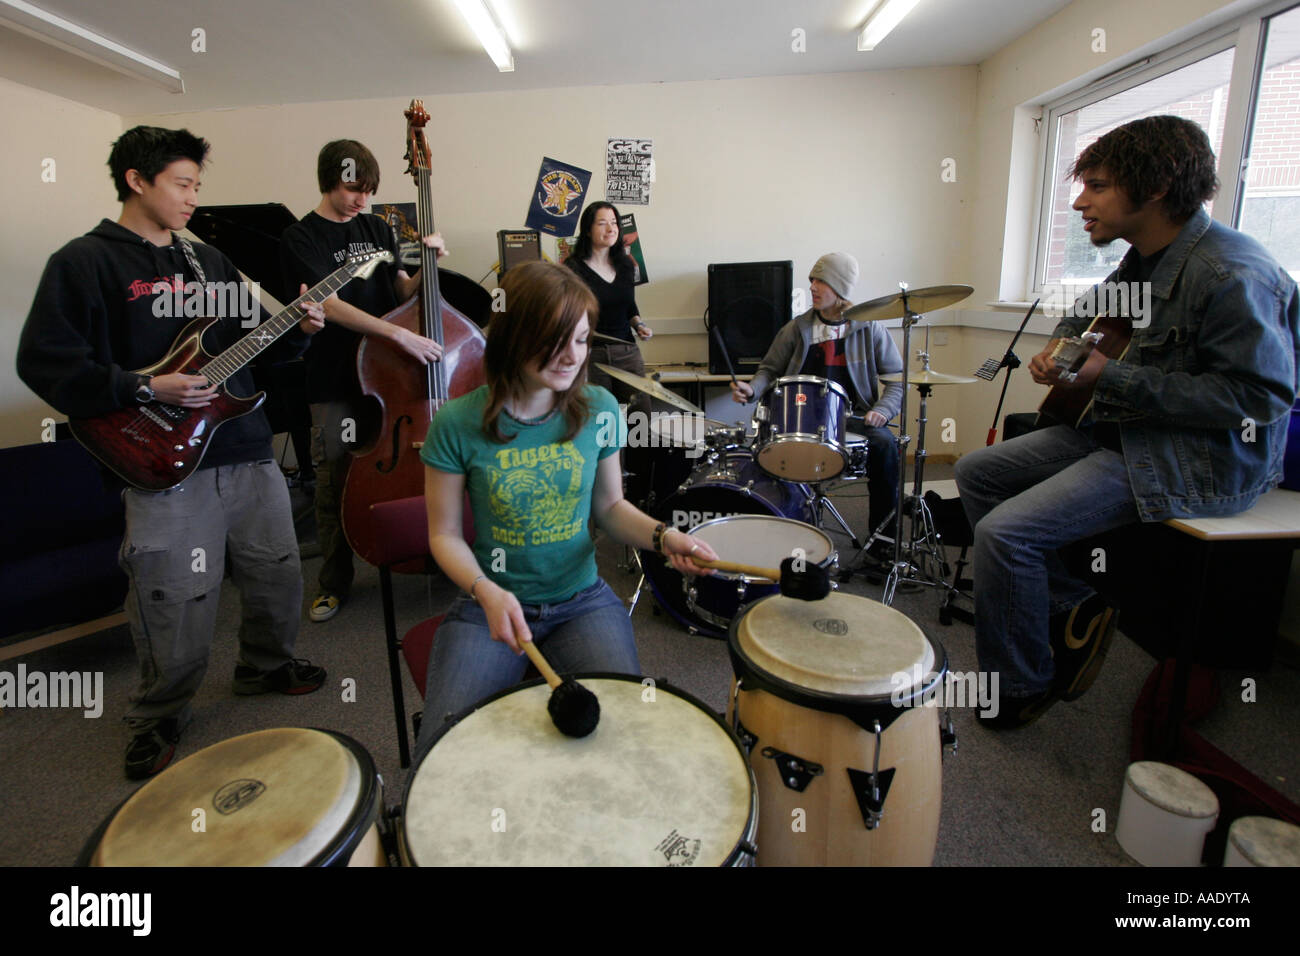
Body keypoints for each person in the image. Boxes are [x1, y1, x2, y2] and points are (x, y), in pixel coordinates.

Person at [954, 115, 1300, 729]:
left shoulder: (1231, 273)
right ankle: (1070, 605)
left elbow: (1259, 398)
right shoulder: (1141, 261)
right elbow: (1079, 323)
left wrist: (1104, 378)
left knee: (1006, 535)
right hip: (1121, 430)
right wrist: (1056, 356)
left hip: (1194, 459)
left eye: (1098, 185)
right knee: (978, 470)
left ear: (1157, 188)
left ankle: (1021, 686)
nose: (1080, 202)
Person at [16, 126, 329, 779]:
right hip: (159, 463)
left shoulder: (207, 261)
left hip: (246, 447)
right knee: (176, 596)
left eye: (196, 185)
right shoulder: (84, 263)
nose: (193, 197)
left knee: (278, 572)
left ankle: (265, 667)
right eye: (183, 184)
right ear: (138, 180)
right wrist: (141, 385)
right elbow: (44, 361)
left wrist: (298, 331)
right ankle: (157, 713)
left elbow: (258, 348)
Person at [414, 261, 717, 755]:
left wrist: (665, 537)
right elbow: (443, 534)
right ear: (513, 335)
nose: (571, 356)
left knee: (624, 737)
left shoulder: (597, 407)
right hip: (490, 600)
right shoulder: (456, 422)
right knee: (446, 750)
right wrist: (485, 591)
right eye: (554, 340)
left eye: (580, 340)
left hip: (581, 601)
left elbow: (611, 507)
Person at [280, 139, 447, 623]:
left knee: (404, 473)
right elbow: (325, 304)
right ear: (329, 180)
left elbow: (400, 289)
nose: (361, 201)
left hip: (388, 378)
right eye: (354, 189)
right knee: (332, 482)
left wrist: (427, 266)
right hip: (335, 380)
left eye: (368, 191)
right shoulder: (301, 237)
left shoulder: (376, 227)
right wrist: (395, 332)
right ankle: (333, 584)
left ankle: (426, 555)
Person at [731, 252, 904, 558]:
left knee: (887, 446)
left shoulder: (869, 328)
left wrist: (883, 410)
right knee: (764, 448)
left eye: (821, 281)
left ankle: (883, 542)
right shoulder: (797, 328)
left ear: (840, 289)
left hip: (856, 419)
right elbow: (769, 370)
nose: (812, 286)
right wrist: (751, 389)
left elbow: (897, 380)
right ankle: (781, 531)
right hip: (800, 416)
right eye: (812, 279)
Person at [565, 201, 652, 409]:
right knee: (600, 420)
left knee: (640, 419)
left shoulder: (626, 265)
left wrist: (639, 325)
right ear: (587, 230)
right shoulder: (573, 268)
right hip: (592, 355)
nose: (611, 229)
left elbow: (629, 306)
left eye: (614, 222)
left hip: (627, 351)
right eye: (602, 223)